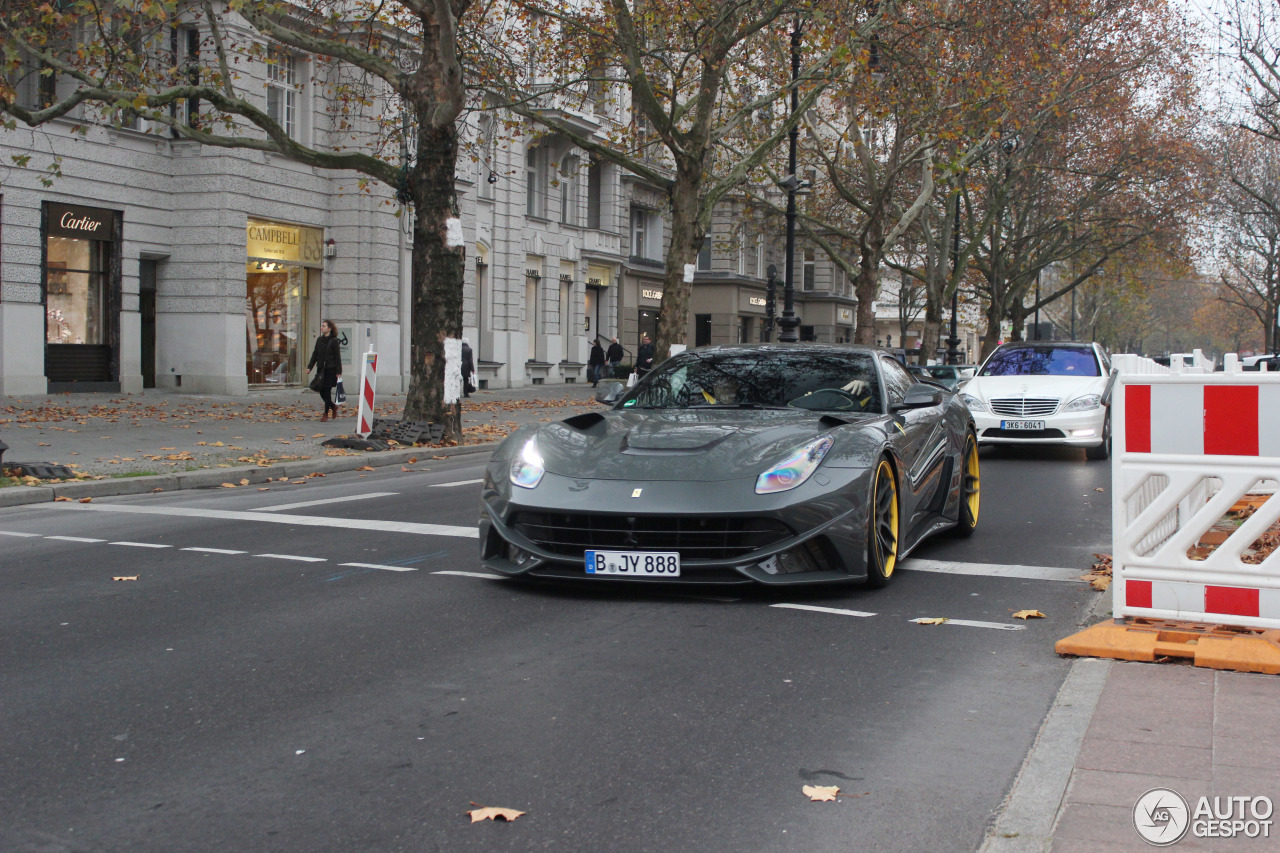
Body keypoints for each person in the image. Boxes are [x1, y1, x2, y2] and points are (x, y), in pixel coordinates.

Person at [307, 319, 343, 421]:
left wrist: (338, 372)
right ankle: (333, 406)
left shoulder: (334, 341)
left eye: (324, 326)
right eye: (322, 326)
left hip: (330, 370)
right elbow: (315, 354)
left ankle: (325, 414)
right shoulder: (319, 340)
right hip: (321, 370)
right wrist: (310, 367)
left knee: (326, 391)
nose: (321, 328)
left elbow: (338, 357)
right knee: (321, 391)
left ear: (329, 328)